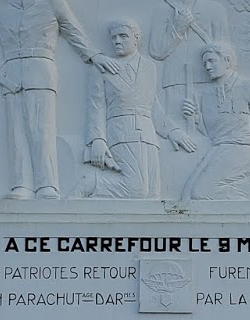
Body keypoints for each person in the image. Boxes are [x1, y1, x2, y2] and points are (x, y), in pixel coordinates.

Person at [0, 0, 115, 199]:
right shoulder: (2, 12)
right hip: (10, 71)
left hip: (40, 68)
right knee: (15, 132)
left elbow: (74, 32)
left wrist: (95, 55)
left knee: (40, 129)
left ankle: (47, 185)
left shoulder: (52, 3)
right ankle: (21, 185)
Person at [79, 19, 196, 198]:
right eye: (114, 38)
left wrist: (173, 131)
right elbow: (96, 107)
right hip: (120, 131)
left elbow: (152, 107)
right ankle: (91, 184)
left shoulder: (149, 67)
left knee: (152, 194)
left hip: (147, 134)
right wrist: (97, 140)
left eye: (123, 36)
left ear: (136, 38)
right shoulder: (101, 69)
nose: (117, 41)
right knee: (136, 189)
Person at [180, 42, 250, 201]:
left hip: (241, 150)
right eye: (204, 63)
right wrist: (193, 117)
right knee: (187, 196)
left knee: (200, 193)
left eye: (211, 61)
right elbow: (209, 131)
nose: (207, 67)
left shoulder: (247, 87)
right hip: (218, 149)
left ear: (227, 61)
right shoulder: (205, 95)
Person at [148, 0, 230, 125]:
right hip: (174, 80)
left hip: (207, 79)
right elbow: (156, 52)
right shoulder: (163, 10)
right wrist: (178, 29)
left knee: (207, 129)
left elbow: (225, 53)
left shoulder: (215, 10)